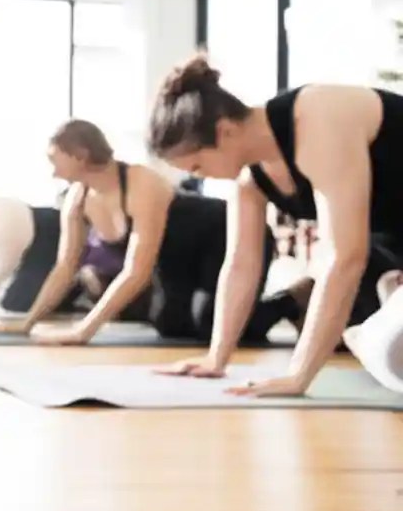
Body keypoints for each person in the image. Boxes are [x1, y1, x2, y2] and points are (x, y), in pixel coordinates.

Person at [146, 55, 403, 396]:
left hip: (380, 246)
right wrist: (216, 358)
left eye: (196, 166)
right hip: (390, 241)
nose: (198, 177)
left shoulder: (317, 117)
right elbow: (241, 265)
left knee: (385, 349)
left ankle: (385, 315)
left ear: (224, 131)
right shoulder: (250, 180)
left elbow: (345, 258)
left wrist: (298, 375)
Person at [0, 119, 289, 346]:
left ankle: (291, 300)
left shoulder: (141, 184)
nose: (52, 171)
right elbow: (65, 267)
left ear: (80, 155)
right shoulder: (77, 199)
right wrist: (29, 322)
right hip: (178, 258)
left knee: (212, 324)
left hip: (226, 234)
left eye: (55, 159)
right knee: (170, 326)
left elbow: (137, 271)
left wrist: (83, 330)